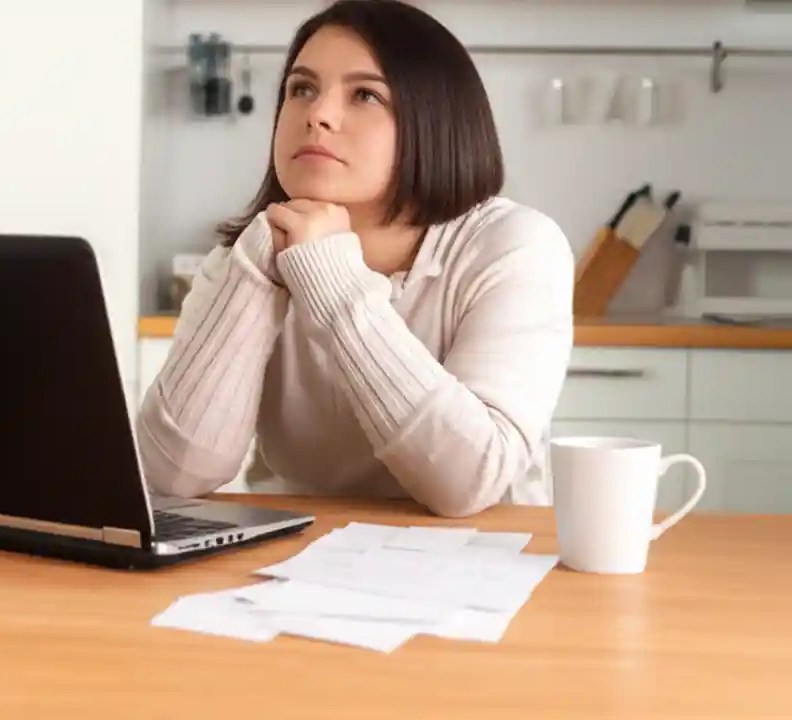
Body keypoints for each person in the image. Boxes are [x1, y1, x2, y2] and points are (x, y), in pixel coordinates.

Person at [136, 0, 574, 517]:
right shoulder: (243, 258)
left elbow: (468, 482)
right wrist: (252, 275)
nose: (317, 114)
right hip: (296, 543)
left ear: (434, 123)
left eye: (365, 94)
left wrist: (331, 280)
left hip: (482, 549)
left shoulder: (515, 246)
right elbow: (170, 476)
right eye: (302, 89)